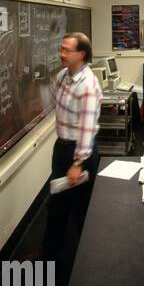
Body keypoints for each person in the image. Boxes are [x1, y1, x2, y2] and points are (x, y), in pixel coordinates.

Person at [42, 32, 102, 261]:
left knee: (81, 206)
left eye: (67, 50)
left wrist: (78, 163)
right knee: (56, 202)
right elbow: (51, 100)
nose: (61, 54)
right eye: (61, 49)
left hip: (80, 151)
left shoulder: (87, 85)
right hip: (62, 147)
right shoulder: (63, 76)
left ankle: (89, 256)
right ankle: (49, 253)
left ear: (82, 54)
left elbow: (87, 127)